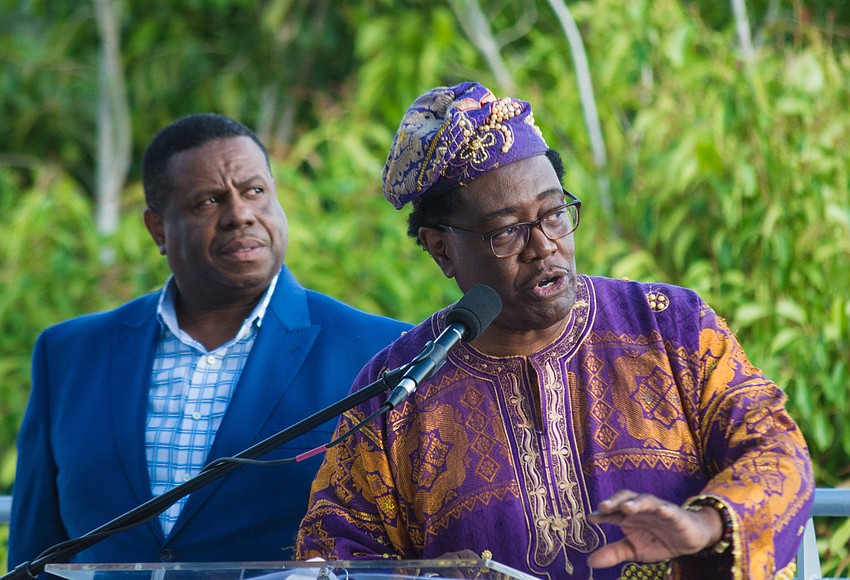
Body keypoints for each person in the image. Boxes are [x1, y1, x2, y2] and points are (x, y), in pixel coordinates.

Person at [295, 82, 814, 579]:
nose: (544, 246)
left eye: (554, 214)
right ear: (441, 249)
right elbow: (335, 550)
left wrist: (705, 525)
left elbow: (776, 450)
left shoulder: (669, 325)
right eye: (507, 231)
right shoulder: (398, 387)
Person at [8, 113, 411, 571]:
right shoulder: (68, 355)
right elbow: (33, 553)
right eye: (208, 201)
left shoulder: (381, 352)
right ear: (158, 229)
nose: (240, 214)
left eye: (255, 191)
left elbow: (401, 546)